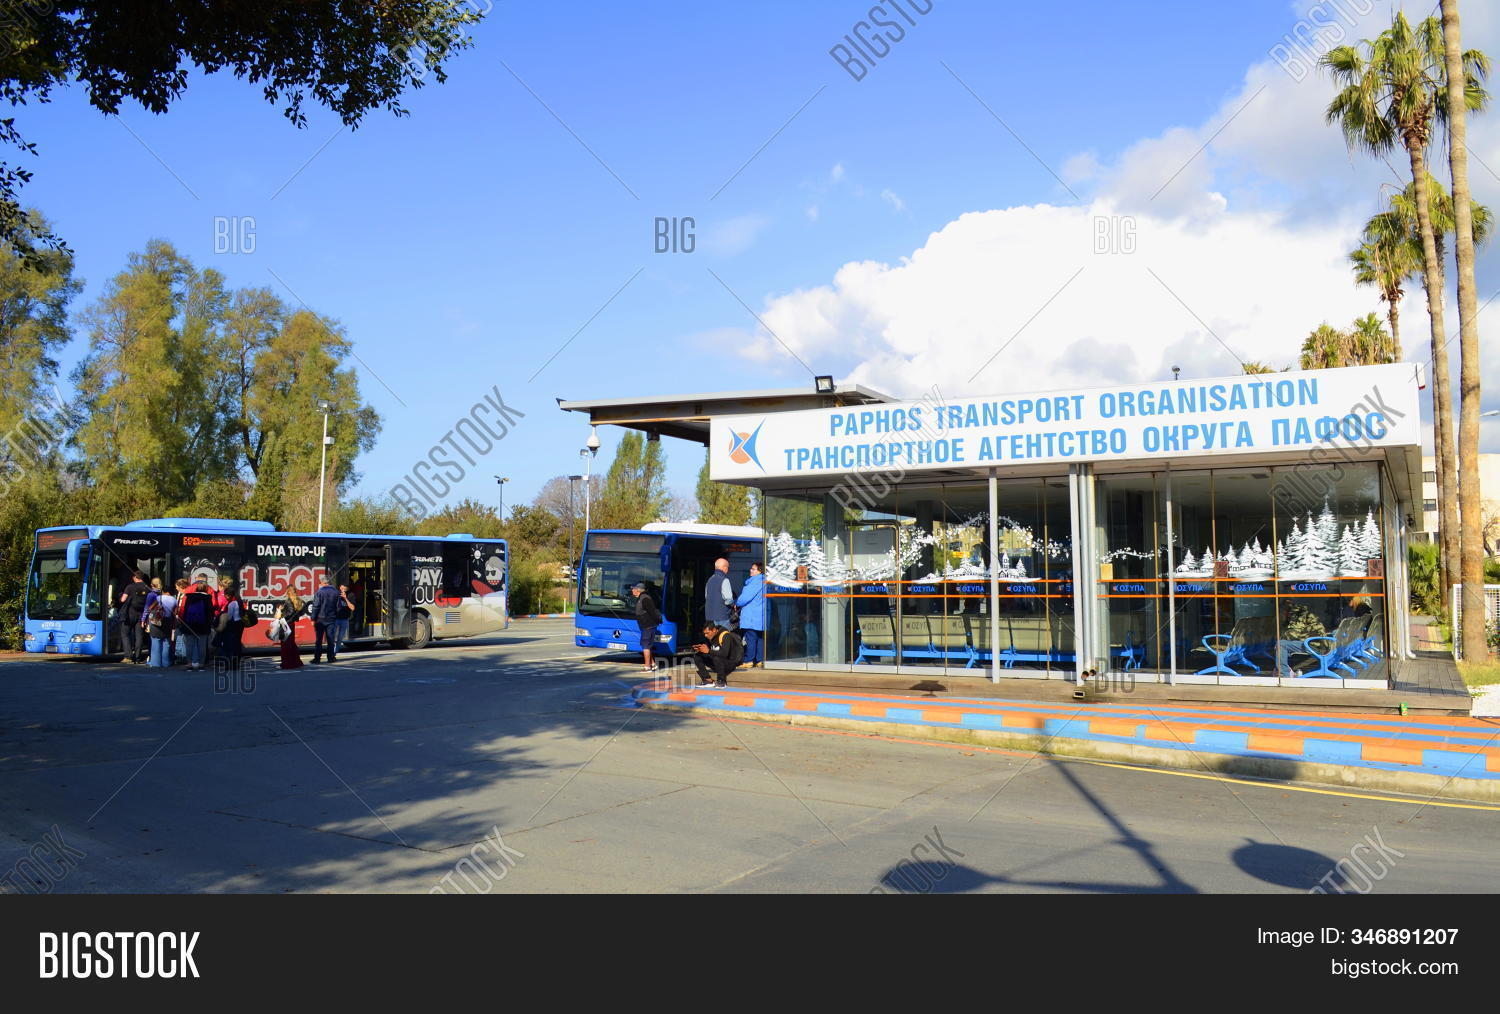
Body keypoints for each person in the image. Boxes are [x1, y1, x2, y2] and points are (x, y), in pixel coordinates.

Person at [692, 622, 744, 688]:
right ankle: (708, 680)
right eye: (704, 633)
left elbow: (724, 654)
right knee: (697, 656)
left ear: (714, 630)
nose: (705, 635)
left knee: (717, 658)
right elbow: (709, 651)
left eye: (707, 633)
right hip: (717, 663)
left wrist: (708, 651)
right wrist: (701, 649)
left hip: (729, 664)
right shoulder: (709, 637)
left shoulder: (725, 635)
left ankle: (721, 681)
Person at [177, 580, 214, 671]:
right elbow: (210, 612)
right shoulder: (208, 598)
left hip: (189, 624)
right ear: (206, 589)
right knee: (201, 645)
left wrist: (183, 622)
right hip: (203, 625)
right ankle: (201, 665)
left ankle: (189, 664)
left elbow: (182, 610)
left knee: (189, 645)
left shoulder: (188, 597)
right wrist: (209, 623)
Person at [735, 562, 766, 668]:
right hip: (761, 616)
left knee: (750, 638)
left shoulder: (754, 582)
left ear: (760, 571)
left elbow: (744, 598)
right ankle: (760, 660)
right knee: (760, 639)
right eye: (751, 568)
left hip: (751, 616)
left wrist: (737, 603)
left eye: (754, 569)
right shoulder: (765, 582)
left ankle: (748, 660)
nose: (751, 571)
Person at [118, 570, 150, 663]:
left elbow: (123, 599)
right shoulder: (147, 588)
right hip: (141, 615)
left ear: (135, 578)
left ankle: (128, 656)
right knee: (139, 636)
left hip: (129, 614)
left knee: (125, 634)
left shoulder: (130, 587)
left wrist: (120, 597)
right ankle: (138, 656)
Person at [144, 579, 177, 669]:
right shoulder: (174, 600)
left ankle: (156, 663)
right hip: (168, 622)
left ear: (163, 591)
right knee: (166, 642)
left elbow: (150, 608)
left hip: (156, 622)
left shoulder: (158, 598)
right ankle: (166, 663)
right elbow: (175, 613)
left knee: (155, 641)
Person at [310, 574, 342, 663]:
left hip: (320, 619)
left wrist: (313, 618)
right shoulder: (336, 592)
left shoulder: (319, 592)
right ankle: (331, 657)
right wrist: (335, 615)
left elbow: (316, 606)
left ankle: (317, 658)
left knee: (319, 640)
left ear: (323, 582)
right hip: (331, 619)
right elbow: (339, 607)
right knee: (330, 639)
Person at [631, 582, 663, 672]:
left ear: (638, 590)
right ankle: (652, 665)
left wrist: (658, 621)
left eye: (633, 589)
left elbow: (653, 612)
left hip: (648, 626)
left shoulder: (645, 599)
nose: (632, 590)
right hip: (646, 626)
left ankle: (647, 667)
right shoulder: (642, 598)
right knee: (646, 646)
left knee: (645, 646)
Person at [215, 584, 245, 666]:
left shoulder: (232, 604)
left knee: (231, 644)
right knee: (237, 643)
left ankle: (231, 662)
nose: (224, 597)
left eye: (225, 595)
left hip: (233, 625)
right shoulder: (239, 601)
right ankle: (237, 662)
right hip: (240, 624)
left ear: (229, 595)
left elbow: (229, 616)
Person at [277, 589, 307, 670]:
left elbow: (290, 612)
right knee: (291, 644)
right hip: (291, 624)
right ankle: (294, 662)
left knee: (286, 644)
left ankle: (287, 663)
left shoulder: (289, 601)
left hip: (286, 623)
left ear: (288, 593)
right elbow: (301, 612)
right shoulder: (297, 601)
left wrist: (282, 613)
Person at [705, 557, 735, 630]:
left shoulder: (710, 579)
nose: (728, 570)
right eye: (727, 567)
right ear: (724, 568)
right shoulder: (724, 580)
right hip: (721, 617)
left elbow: (706, 596)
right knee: (723, 639)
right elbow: (728, 599)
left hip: (709, 617)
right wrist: (733, 605)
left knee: (712, 639)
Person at [332, 583, 354, 654]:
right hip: (335, 618)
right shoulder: (335, 594)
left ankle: (335, 652)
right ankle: (331, 651)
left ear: (347, 588)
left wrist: (345, 598)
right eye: (342, 587)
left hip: (345, 619)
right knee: (332, 636)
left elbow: (352, 608)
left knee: (340, 637)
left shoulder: (351, 595)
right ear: (340, 587)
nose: (343, 588)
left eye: (345, 587)